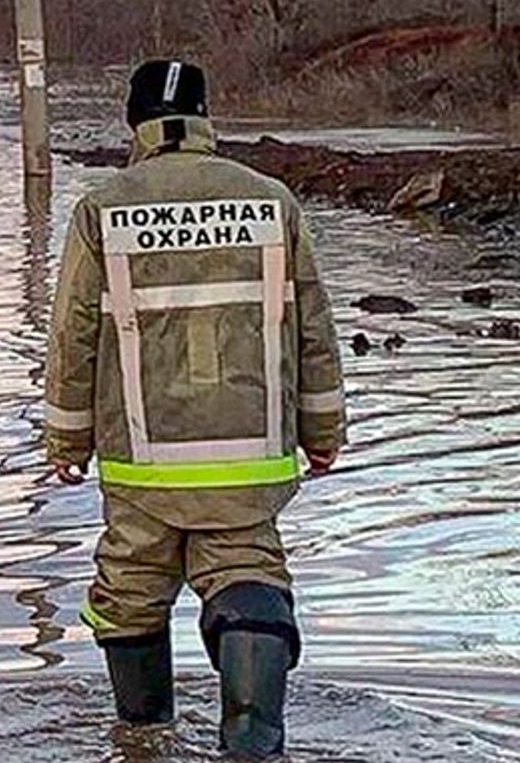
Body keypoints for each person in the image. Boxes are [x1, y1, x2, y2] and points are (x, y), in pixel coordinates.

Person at [44, 59, 346, 760]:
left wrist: (66, 441)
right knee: (250, 577)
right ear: (208, 118)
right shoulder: (271, 202)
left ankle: (144, 739)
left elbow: (72, 336)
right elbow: (314, 331)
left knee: (130, 595)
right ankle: (253, 745)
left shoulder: (103, 209)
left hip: (143, 464)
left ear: (134, 123)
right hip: (249, 457)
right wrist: (323, 432)